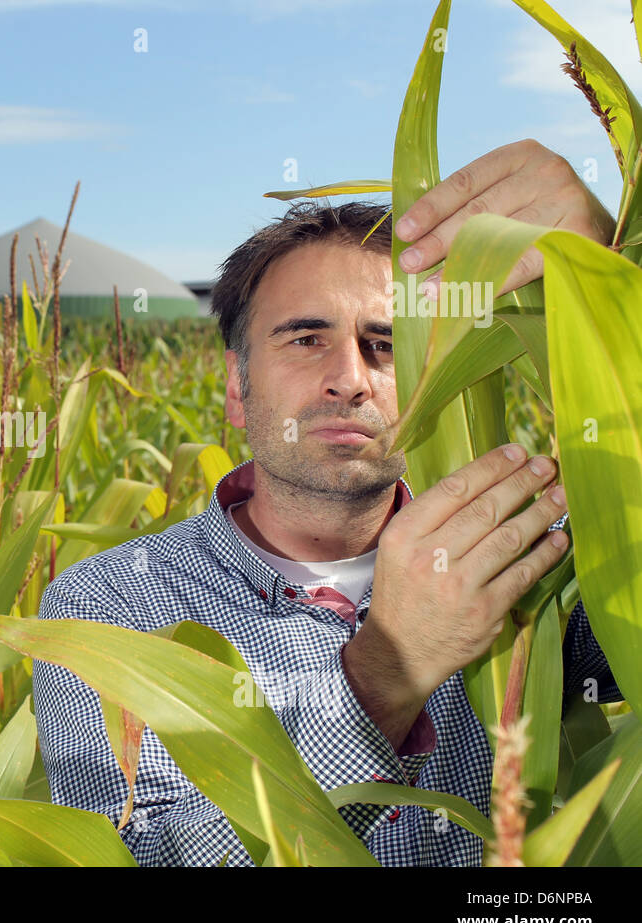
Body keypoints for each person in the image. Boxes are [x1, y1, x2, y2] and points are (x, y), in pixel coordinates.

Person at [33, 140, 622, 866]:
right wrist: (388, 672)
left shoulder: (522, 562)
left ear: (438, 376)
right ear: (236, 386)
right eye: (307, 339)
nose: (350, 379)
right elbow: (142, 858)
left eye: (386, 344)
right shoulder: (108, 610)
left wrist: (615, 289)